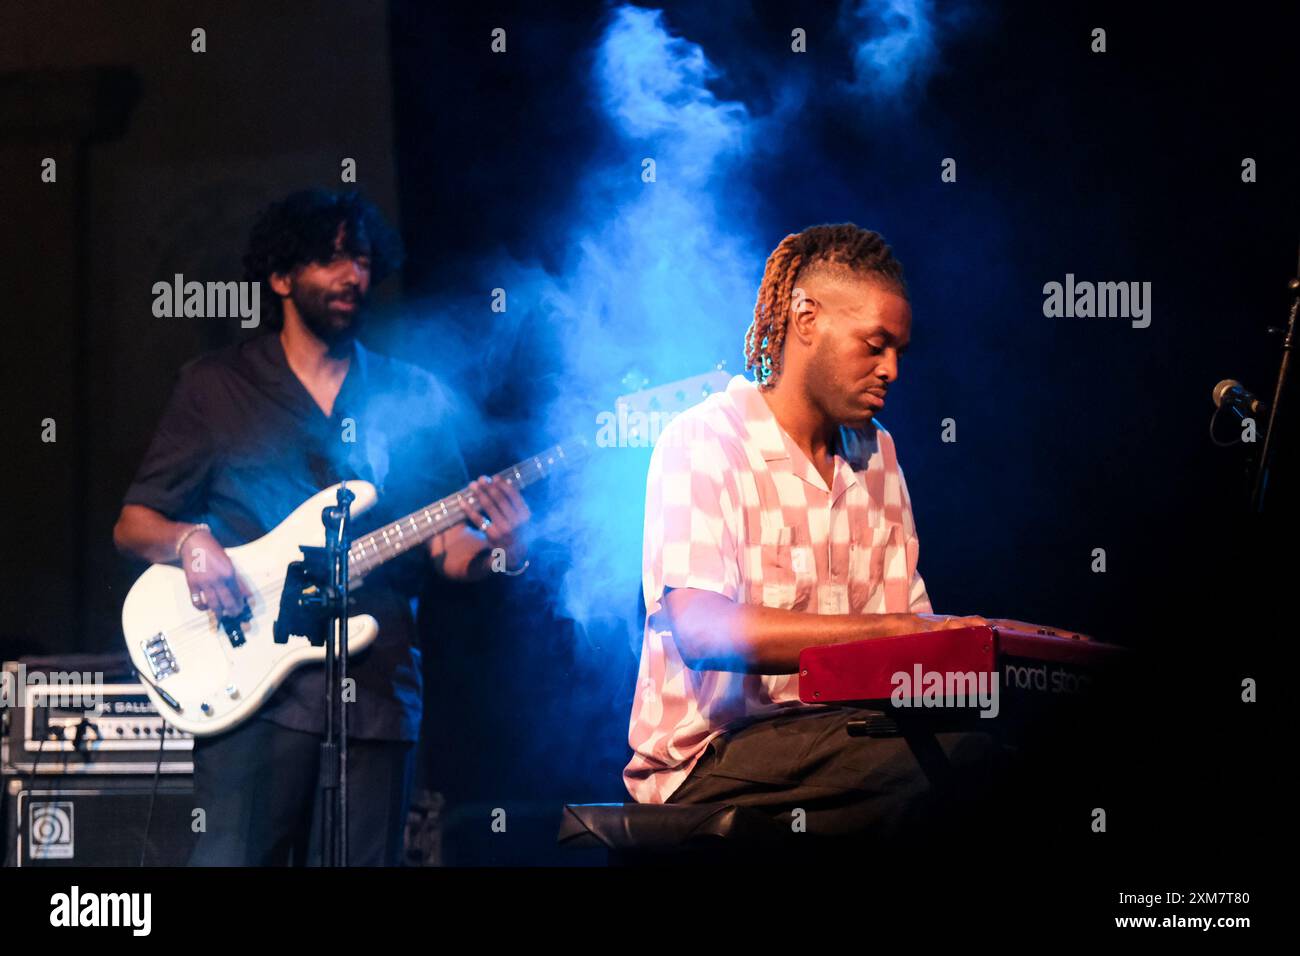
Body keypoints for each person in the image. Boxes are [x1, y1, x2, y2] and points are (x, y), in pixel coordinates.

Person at [114, 189, 530, 865]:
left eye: (361, 259)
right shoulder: (214, 388)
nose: (351, 276)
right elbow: (134, 524)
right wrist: (191, 542)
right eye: (330, 259)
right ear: (280, 277)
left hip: (375, 692)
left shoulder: (412, 395)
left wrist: (502, 551)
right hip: (247, 694)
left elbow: (448, 549)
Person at [625, 223, 996, 841]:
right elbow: (702, 629)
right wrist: (894, 632)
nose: (893, 370)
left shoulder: (879, 454)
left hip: (840, 736)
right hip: (716, 756)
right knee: (963, 769)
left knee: (1006, 752)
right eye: (875, 345)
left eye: (900, 351)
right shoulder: (703, 440)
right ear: (805, 319)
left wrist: (976, 650)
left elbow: (904, 630)